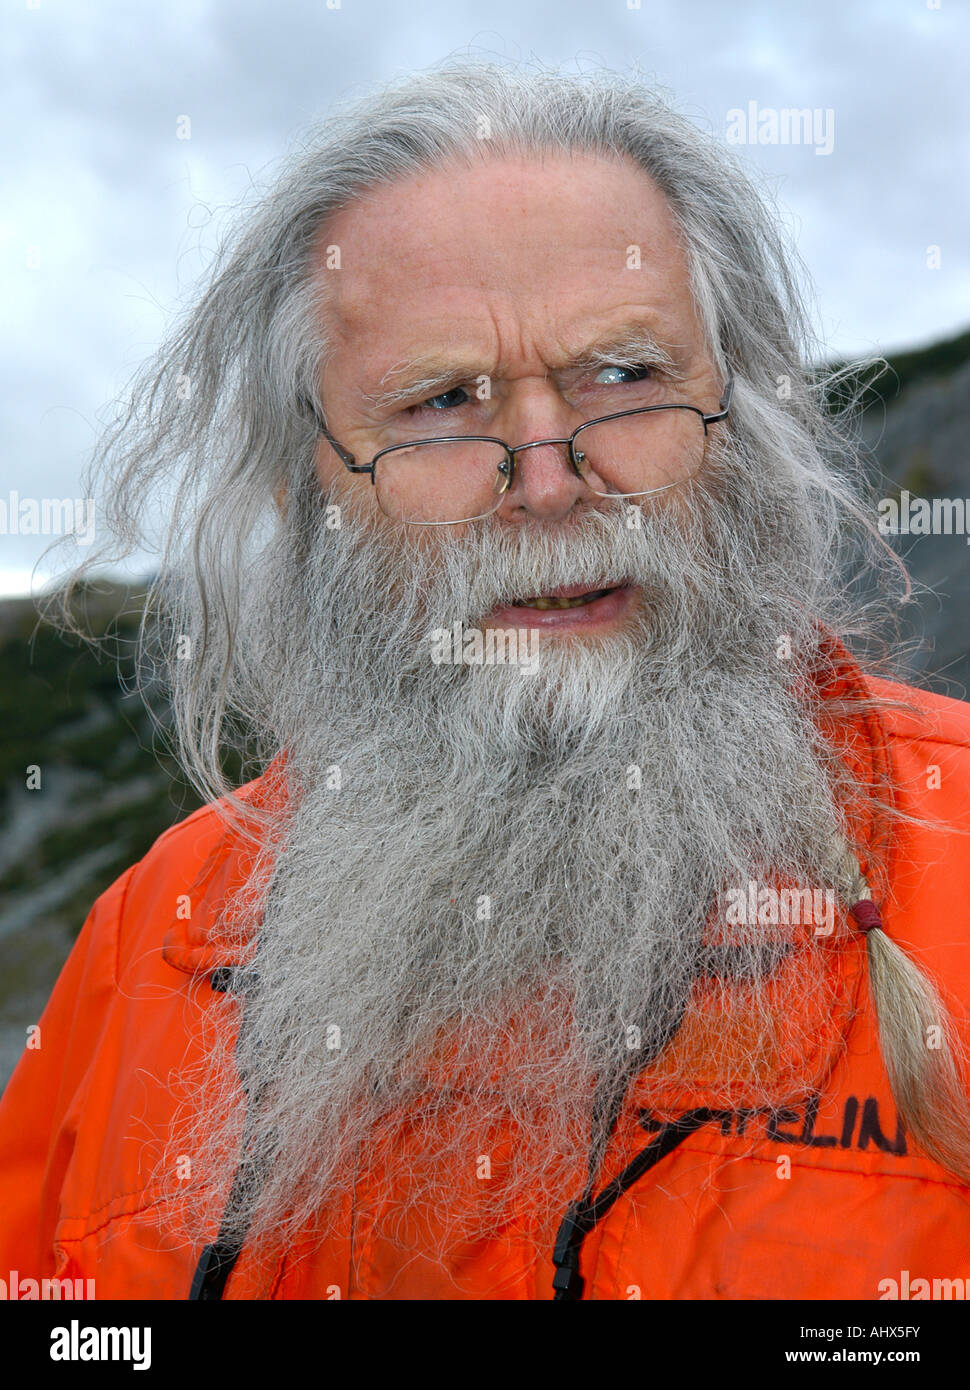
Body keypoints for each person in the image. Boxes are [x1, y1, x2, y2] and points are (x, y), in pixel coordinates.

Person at [2, 60, 970, 1302]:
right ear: (311, 487)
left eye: (623, 376)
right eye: (439, 401)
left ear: (742, 411)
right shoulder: (152, 937)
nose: (552, 481)